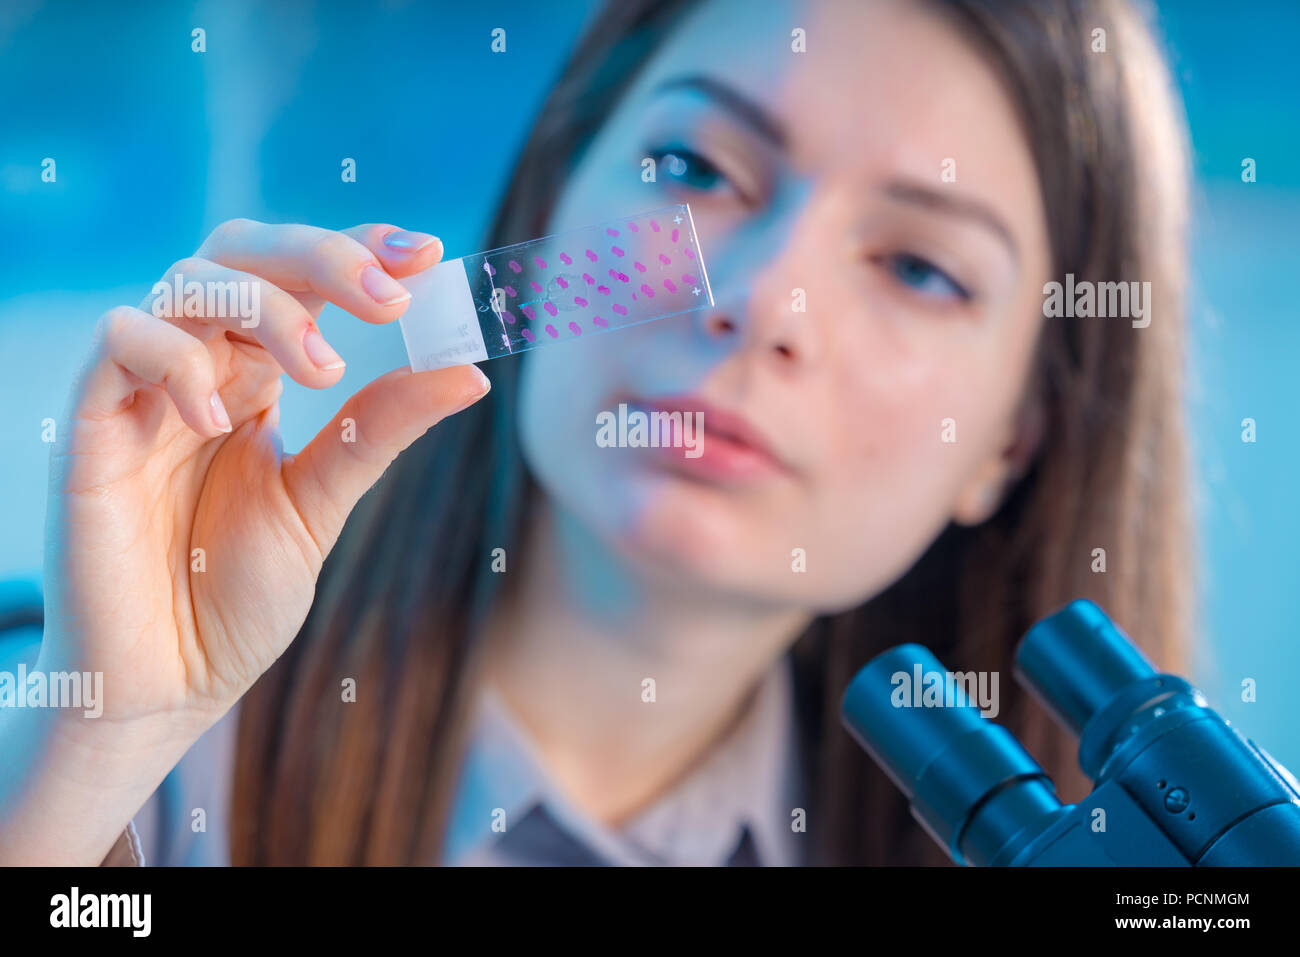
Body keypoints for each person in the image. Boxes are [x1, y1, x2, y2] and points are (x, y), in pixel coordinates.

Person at [0, 0, 1194, 867]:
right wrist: (92, 738)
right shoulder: (117, 768)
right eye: (694, 165)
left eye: (920, 268)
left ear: (1013, 439)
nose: (760, 297)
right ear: (550, 198)